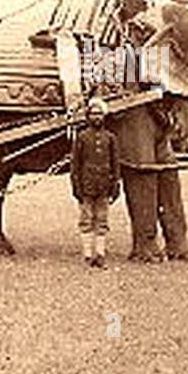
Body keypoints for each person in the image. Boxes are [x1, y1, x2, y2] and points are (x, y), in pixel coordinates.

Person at [71, 97, 121, 267]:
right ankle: (87, 254)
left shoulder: (111, 138)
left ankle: (99, 254)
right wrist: (76, 186)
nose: (96, 117)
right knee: (86, 219)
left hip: (104, 185)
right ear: (88, 116)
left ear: (104, 116)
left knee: (102, 220)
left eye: (99, 113)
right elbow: (75, 165)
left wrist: (115, 185)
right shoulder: (82, 138)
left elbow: (115, 164)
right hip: (87, 184)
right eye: (93, 114)